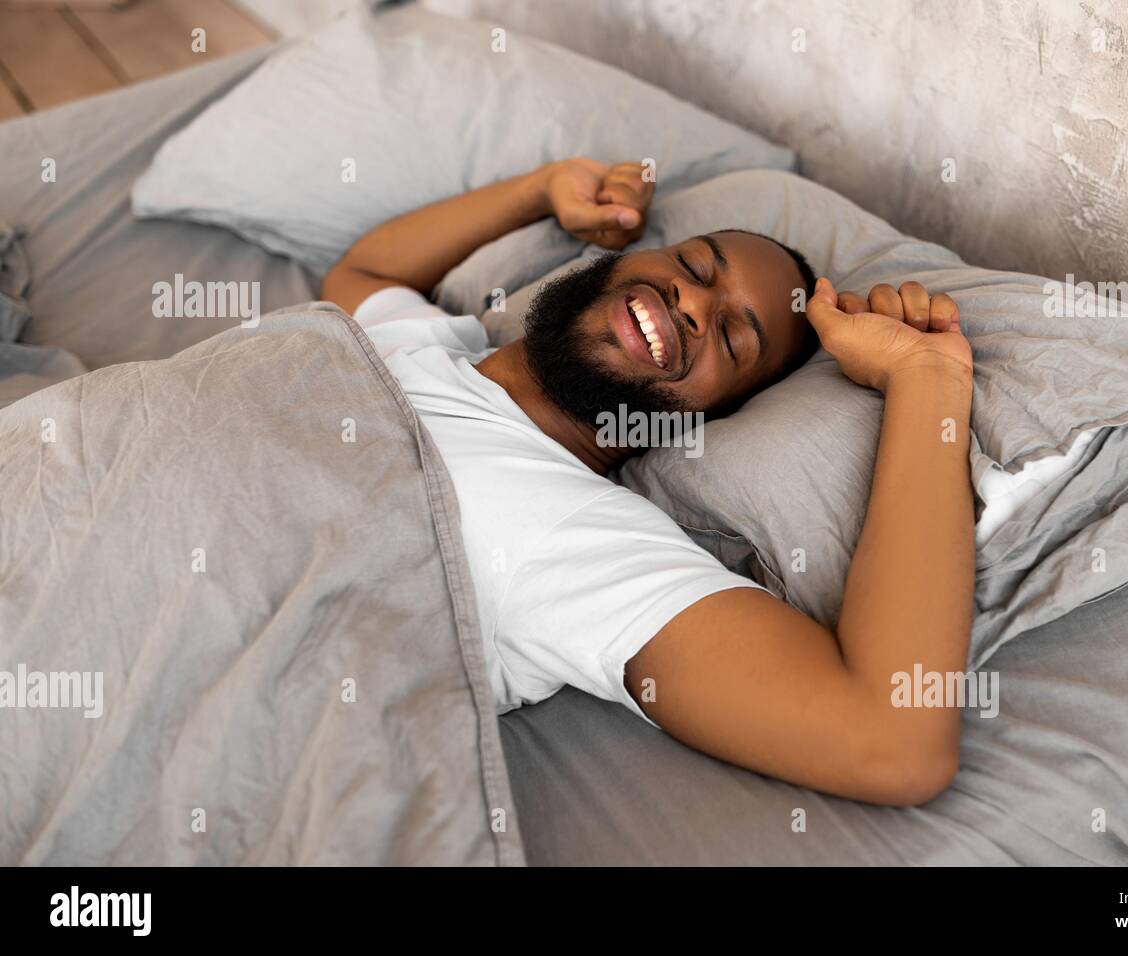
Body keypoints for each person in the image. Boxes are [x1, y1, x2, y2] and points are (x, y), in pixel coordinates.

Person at [322, 157, 974, 805]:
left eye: (732, 337)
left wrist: (924, 379)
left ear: (706, 417)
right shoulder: (425, 345)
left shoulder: (580, 540)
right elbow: (364, 272)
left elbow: (892, 742)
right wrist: (542, 190)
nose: (692, 302)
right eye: (693, 266)